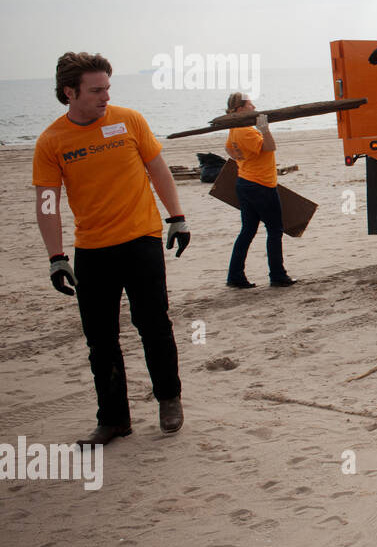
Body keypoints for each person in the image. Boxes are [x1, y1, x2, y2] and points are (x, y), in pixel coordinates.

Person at [32, 52, 190, 446]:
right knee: (100, 339)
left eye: (107, 88)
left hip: (142, 240)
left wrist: (177, 217)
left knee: (153, 324)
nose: (105, 96)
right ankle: (114, 419)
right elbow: (47, 202)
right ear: (70, 92)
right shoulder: (52, 141)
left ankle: (168, 399)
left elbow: (158, 169)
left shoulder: (129, 120)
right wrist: (56, 257)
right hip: (93, 249)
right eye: (96, 89)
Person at [224, 93, 293, 289]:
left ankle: (235, 275)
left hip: (245, 182)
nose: (254, 107)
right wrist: (264, 130)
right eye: (250, 104)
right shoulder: (245, 131)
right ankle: (278, 275)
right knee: (274, 230)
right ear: (240, 109)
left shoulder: (233, 129)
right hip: (261, 185)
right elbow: (270, 147)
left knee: (247, 231)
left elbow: (229, 150)